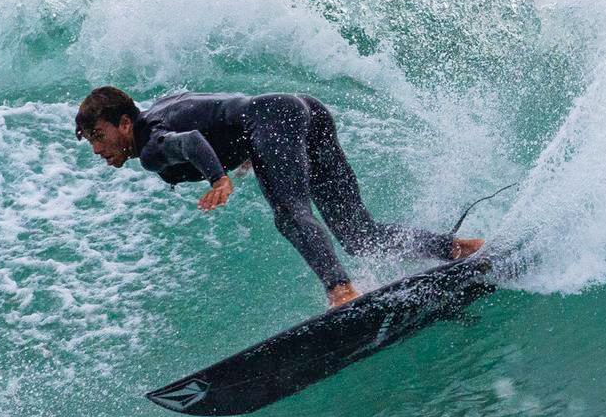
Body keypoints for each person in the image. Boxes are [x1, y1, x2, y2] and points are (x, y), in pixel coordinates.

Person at [75, 86, 483, 309]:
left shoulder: (150, 148)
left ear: (125, 123)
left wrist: (219, 178)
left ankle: (342, 294)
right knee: (358, 233)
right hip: (300, 109)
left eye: (99, 136)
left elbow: (192, 140)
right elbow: (207, 108)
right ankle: (461, 249)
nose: (97, 149)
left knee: (291, 215)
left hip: (272, 120)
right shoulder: (160, 108)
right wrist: (249, 144)